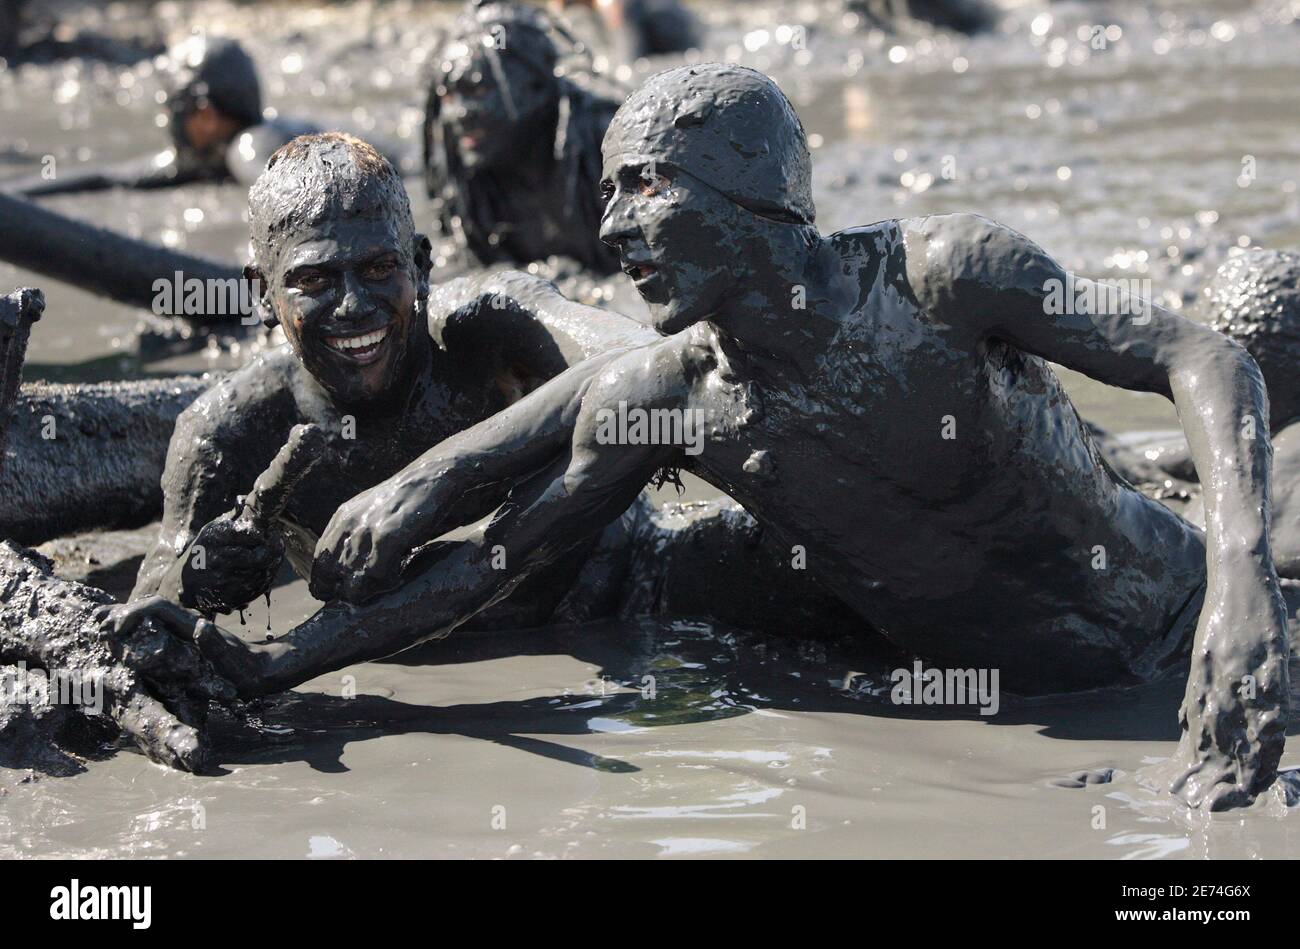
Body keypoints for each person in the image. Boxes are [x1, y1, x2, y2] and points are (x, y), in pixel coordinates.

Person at [115, 66, 1289, 814]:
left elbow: (1199, 356)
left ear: (747, 197)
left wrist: (1242, 587)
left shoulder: (941, 276)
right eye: (612, 192)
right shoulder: (671, 393)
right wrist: (270, 670)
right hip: (1033, 719)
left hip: (1189, 624)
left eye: (642, 188)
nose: (611, 222)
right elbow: (489, 562)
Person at [423, 1, 622, 274]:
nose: (458, 114)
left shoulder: (609, 147)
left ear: (537, 88)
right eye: (448, 95)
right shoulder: (463, 180)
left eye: (478, 91)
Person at [6, 34, 315, 196]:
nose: (166, 118)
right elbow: (107, 177)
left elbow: (291, 195)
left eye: (173, 108)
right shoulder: (207, 156)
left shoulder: (249, 148)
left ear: (205, 116)